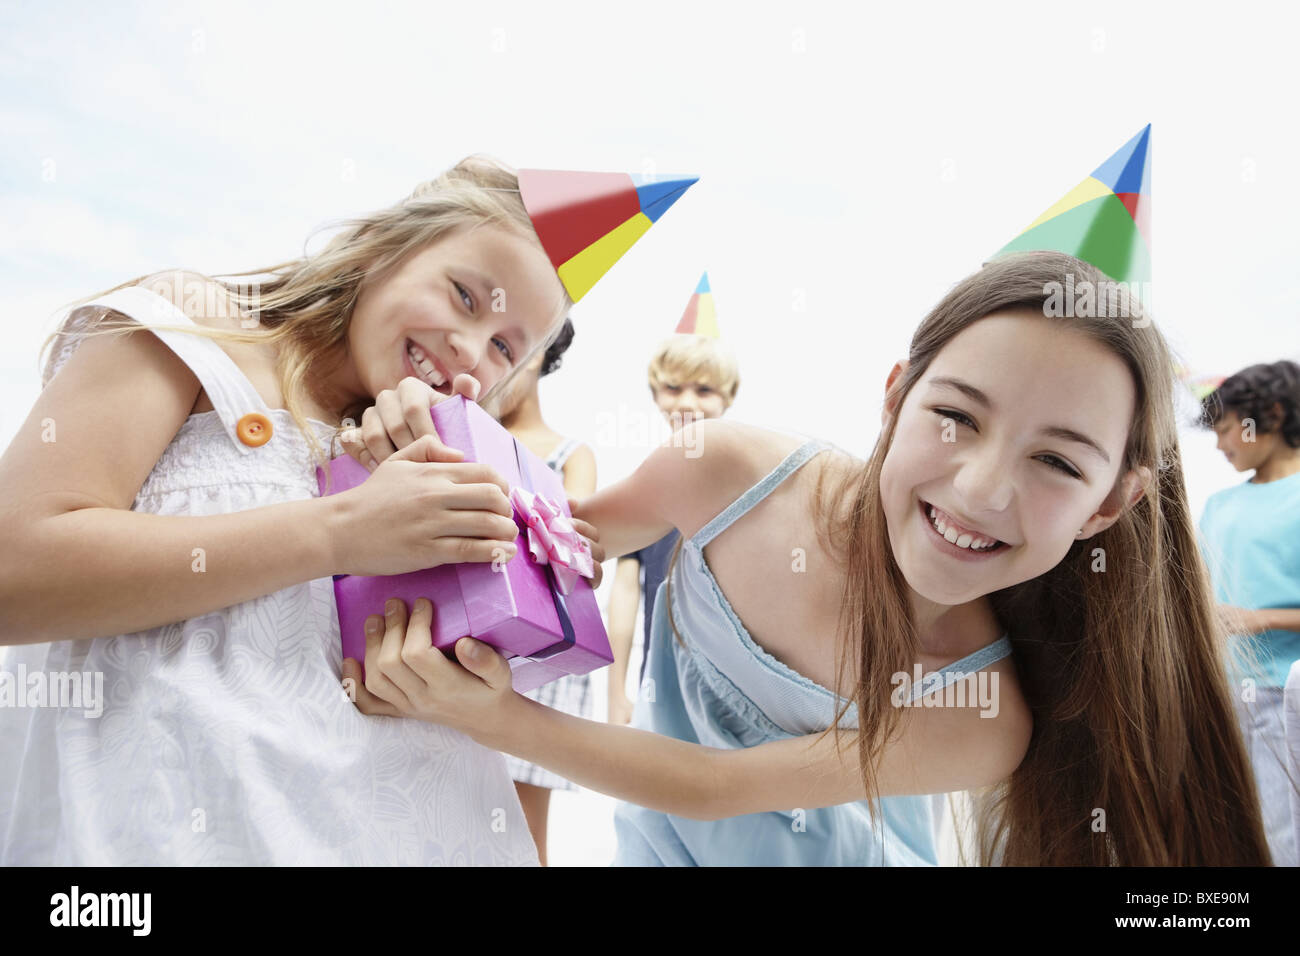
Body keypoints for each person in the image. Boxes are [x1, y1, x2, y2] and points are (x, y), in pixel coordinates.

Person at [346, 251, 1272, 865]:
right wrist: (432, 446)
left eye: (1058, 460)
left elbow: (717, 789)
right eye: (956, 415)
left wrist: (497, 719)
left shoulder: (984, 712)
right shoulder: (732, 471)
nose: (983, 488)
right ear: (895, 397)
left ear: (1109, 505)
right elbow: (560, 540)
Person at [0, 155, 647, 864]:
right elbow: (15, 574)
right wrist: (341, 533)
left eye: (504, 347)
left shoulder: (437, 464)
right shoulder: (203, 327)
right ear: (384, 249)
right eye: (466, 295)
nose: (469, 348)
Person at [493, 317, 598, 865]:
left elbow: (571, 537)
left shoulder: (569, 452)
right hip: (477, 631)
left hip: (536, 642)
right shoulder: (462, 427)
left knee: (527, 826)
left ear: (533, 358)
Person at [1197, 359, 1300, 866]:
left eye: (1225, 429)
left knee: (1287, 836)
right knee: (1238, 832)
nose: (1220, 445)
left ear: (1273, 414)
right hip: (1227, 691)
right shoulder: (1218, 505)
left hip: (1286, 694)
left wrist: (1262, 619)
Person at [606, 331, 739, 724]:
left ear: (727, 398)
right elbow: (625, 591)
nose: (685, 402)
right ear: (655, 394)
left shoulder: (743, 486)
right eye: (673, 387)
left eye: (704, 389)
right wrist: (616, 693)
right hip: (659, 687)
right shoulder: (642, 489)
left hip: (732, 692)